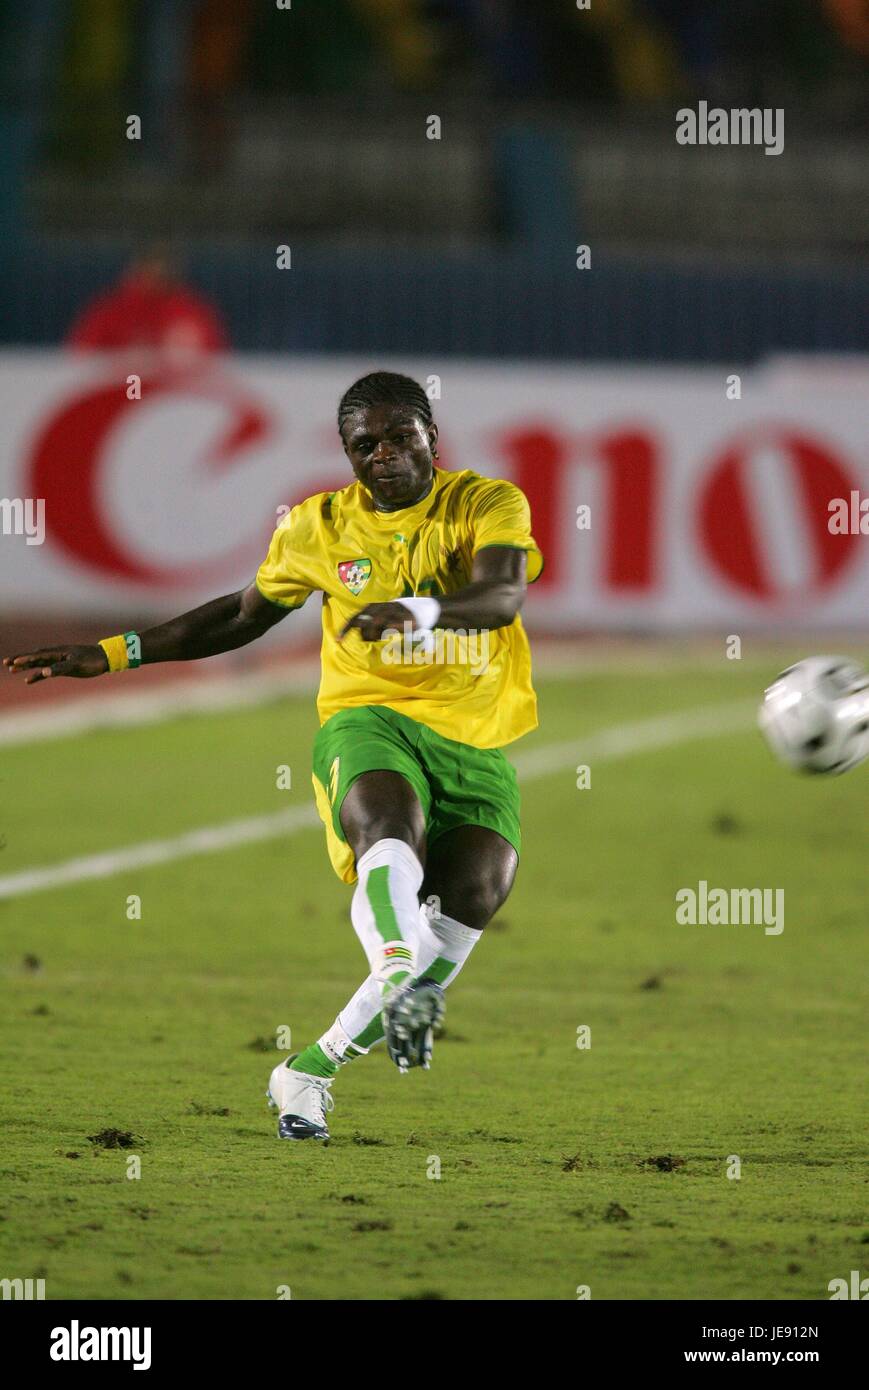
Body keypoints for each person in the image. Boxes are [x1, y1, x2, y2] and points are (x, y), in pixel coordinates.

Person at [3, 371, 542, 1142]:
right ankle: (396, 963)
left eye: (399, 437)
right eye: (364, 444)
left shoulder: (487, 503)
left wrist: (417, 609)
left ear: (431, 436)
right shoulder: (318, 527)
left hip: (476, 737)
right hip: (369, 718)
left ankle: (309, 1070)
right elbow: (240, 615)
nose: (383, 454)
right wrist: (115, 652)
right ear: (346, 454)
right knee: (388, 831)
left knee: (476, 896)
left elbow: (500, 598)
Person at [66, 245, 228, 356]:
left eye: (165, 270)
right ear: (137, 269)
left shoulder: (193, 312)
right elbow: (82, 356)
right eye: (151, 269)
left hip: (177, 395)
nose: (158, 276)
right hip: (124, 388)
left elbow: (217, 359)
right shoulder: (112, 311)